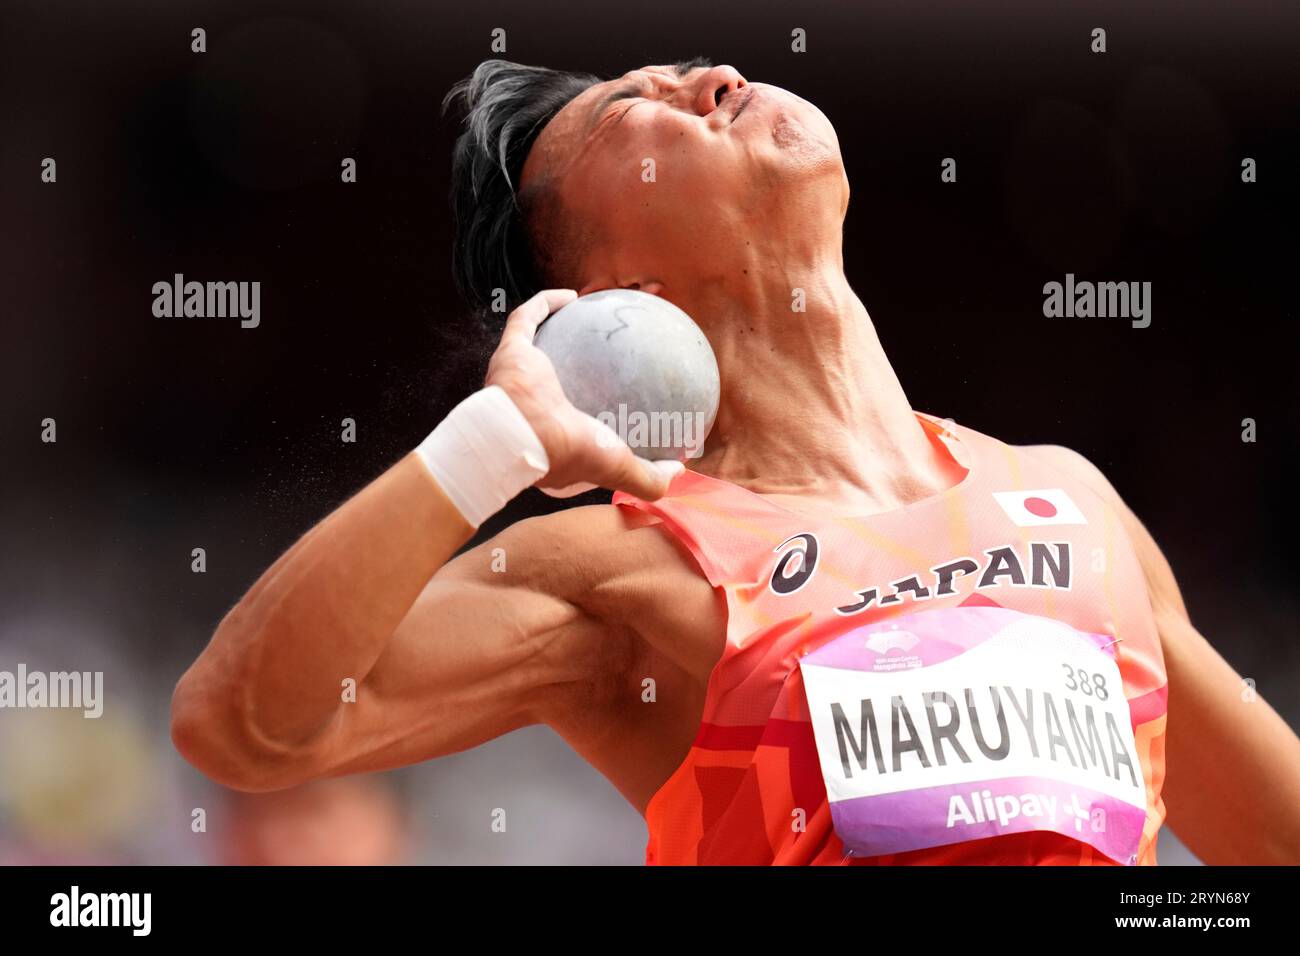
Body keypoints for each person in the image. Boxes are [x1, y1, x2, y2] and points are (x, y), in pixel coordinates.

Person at [172, 58, 1300, 865]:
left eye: (692, 72)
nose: (711, 76)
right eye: (634, 112)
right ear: (616, 296)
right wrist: (489, 445)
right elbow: (244, 726)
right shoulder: (633, 567)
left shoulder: (1069, 504)